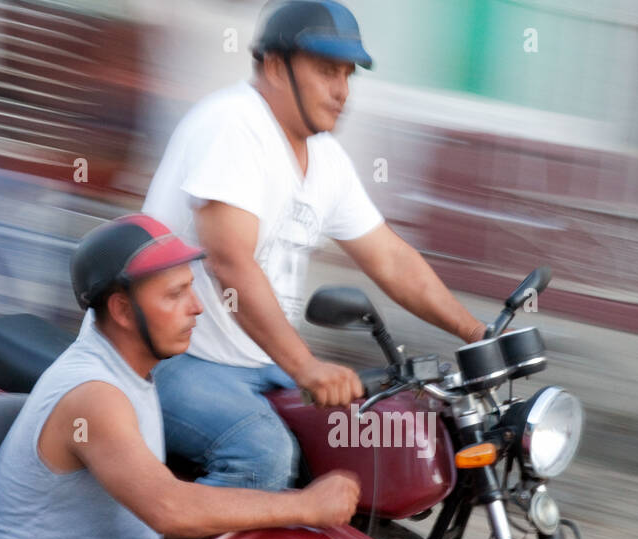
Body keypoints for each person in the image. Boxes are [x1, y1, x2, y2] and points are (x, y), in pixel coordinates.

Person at [142, 0, 487, 491]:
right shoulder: (234, 125)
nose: (342, 90)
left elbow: (389, 257)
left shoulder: (326, 160)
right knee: (263, 455)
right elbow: (231, 263)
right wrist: (304, 365)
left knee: (377, 436)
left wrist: (475, 332)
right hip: (175, 360)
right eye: (327, 71)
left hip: (259, 365)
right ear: (277, 67)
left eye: (348, 75)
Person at [0, 213, 361, 539]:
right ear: (122, 311)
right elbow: (169, 508)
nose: (197, 307)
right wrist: (306, 506)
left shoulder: (130, 367)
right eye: (175, 294)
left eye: (192, 289)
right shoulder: (94, 395)